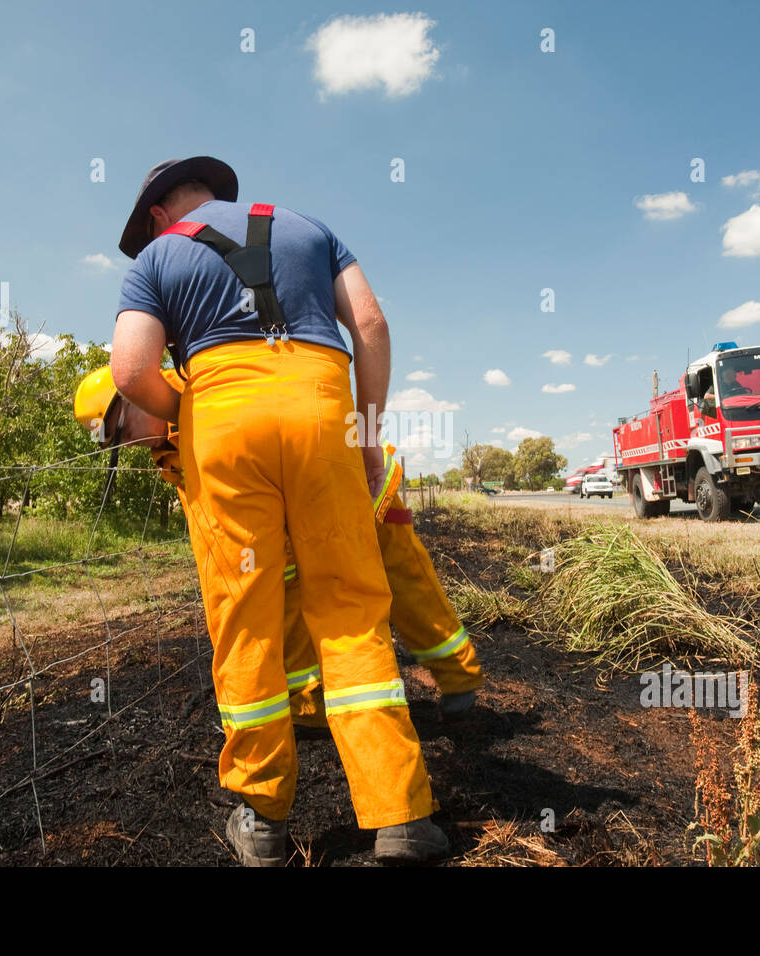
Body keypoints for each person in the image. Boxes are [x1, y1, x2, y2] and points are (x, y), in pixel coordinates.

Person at [108, 155, 447, 866]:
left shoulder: (158, 259)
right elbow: (373, 326)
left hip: (224, 424)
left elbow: (133, 372)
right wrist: (367, 433)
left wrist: (196, 413)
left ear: (158, 217)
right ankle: (400, 816)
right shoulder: (310, 227)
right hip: (322, 408)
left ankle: (262, 821)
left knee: (245, 612)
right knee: (352, 605)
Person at [72, 365, 485, 728]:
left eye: (123, 432)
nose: (130, 446)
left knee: (404, 581)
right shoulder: (168, 454)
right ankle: (310, 706)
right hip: (297, 517)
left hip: (358, 483)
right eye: (116, 445)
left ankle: (458, 674)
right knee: (293, 594)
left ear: (135, 392)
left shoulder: (204, 384)